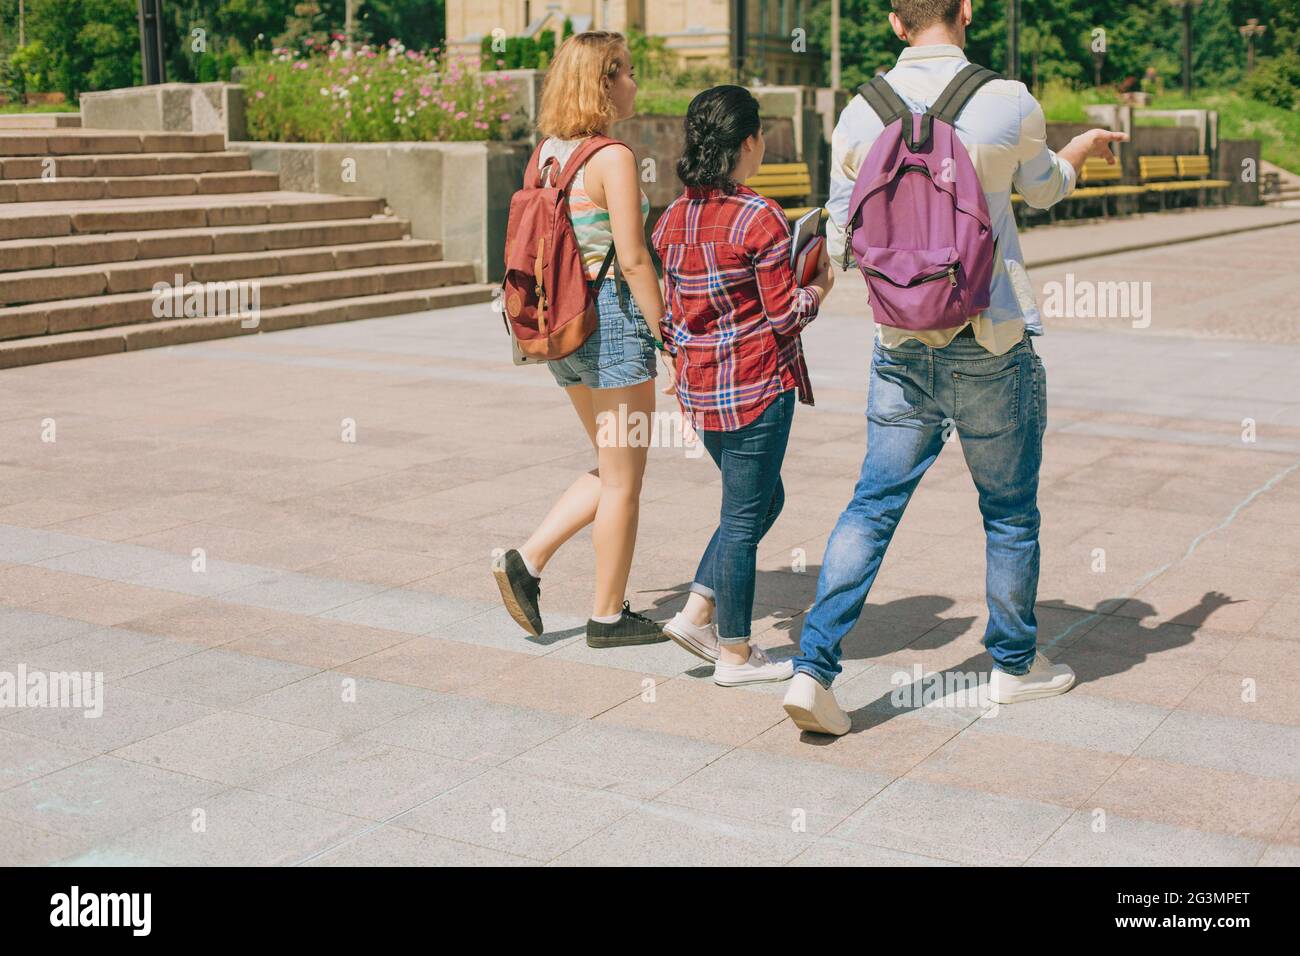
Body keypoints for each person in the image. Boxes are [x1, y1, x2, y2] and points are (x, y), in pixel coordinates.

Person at [782, 0, 1128, 734]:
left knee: (872, 506)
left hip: (900, 344)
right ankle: (1013, 665)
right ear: (966, 9)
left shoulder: (858, 113)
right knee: (1007, 513)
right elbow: (1042, 190)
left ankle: (813, 668)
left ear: (893, 22)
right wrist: (1080, 151)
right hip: (992, 338)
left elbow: (841, 242)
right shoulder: (1006, 101)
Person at [493, 31, 677, 648]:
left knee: (609, 463)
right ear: (602, 83)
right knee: (626, 479)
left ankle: (529, 561)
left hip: (562, 331)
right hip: (616, 330)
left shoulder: (546, 154)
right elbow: (632, 259)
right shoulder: (612, 157)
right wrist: (667, 332)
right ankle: (606, 616)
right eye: (624, 72)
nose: (633, 83)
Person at [652, 86, 835, 686]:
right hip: (757, 385)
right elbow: (784, 316)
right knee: (741, 517)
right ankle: (734, 652)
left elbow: (673, 314)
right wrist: (818, 288)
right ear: (749, 141)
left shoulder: (672, 218)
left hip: (702, 390)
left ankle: (698, 611)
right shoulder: (759, 217)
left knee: (758, 503)